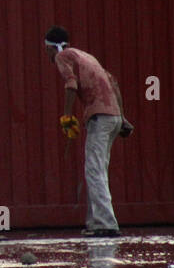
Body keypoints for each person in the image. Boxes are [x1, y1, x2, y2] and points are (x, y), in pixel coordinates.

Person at [44, 26, 129, 237]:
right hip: (113, 116)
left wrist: (67, 116)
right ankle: (95, 222)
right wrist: (122, 117)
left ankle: (106, 223)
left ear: (50, 47)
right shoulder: (86, 56)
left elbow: (71, 84)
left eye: (46, 49)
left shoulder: (62, 56)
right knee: (97, 169)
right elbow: (113, 82)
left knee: (94, 171)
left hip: (99, 116)